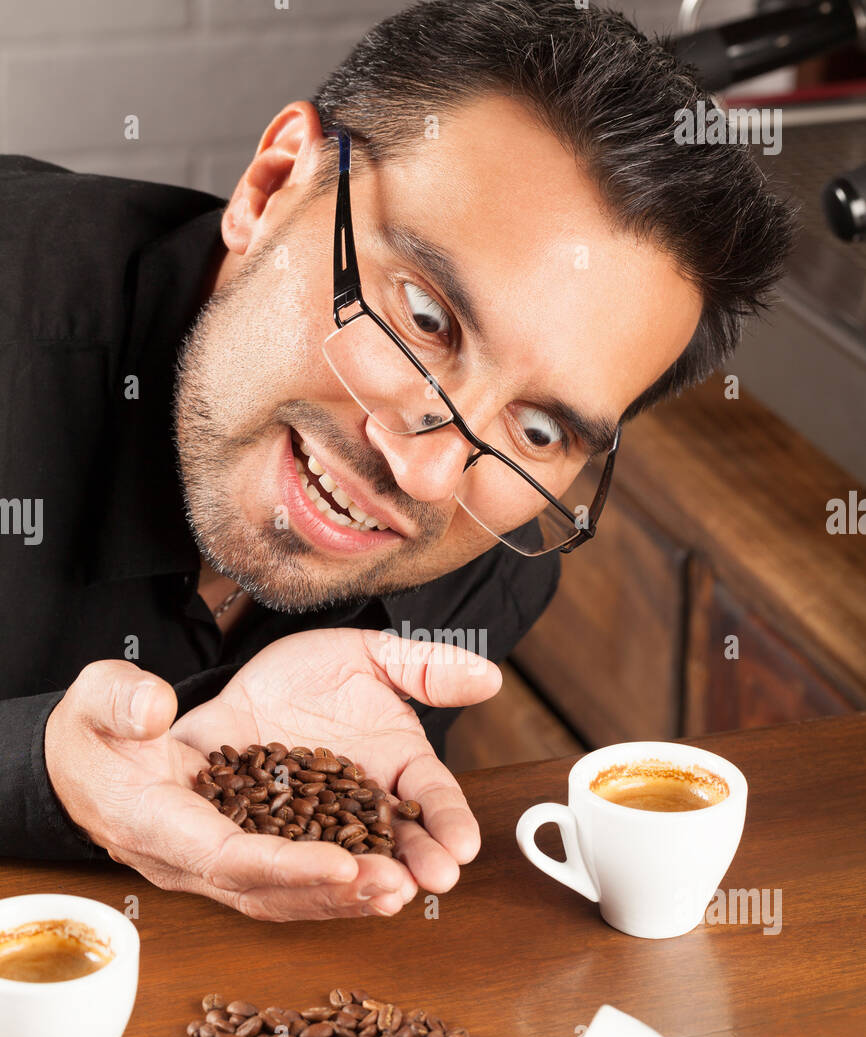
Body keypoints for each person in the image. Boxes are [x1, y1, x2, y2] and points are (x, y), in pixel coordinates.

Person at [0, 1, 795, 920]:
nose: (426, 473)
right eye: (424, 318)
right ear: (273, 188)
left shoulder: (488, 571)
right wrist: (42, 769)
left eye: (540, 430)